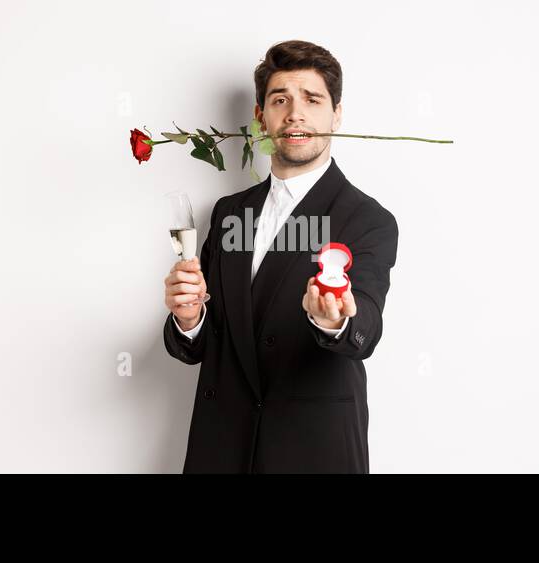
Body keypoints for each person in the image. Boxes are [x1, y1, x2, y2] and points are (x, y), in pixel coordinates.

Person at [162, 40, 398, 473]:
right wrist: (188, 317)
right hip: (222, 448)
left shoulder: (368, 218)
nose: (295, 113)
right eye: (280, 100)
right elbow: (201, 346)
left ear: (336, 114)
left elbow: (366, 327)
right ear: (261, 117)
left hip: (313, 451)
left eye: (312, 99)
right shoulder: (230, 212)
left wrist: (335, 320)